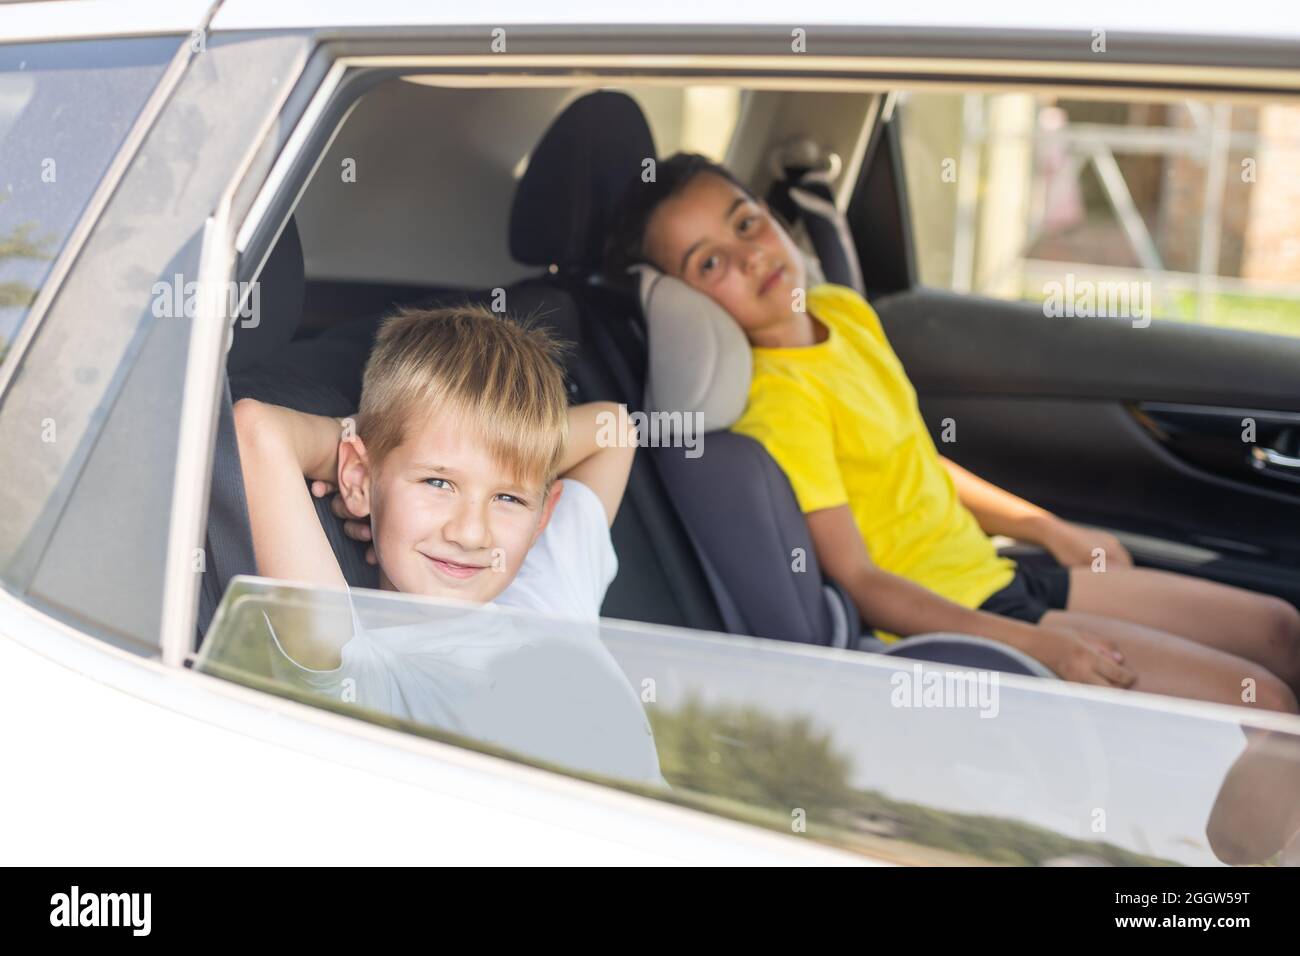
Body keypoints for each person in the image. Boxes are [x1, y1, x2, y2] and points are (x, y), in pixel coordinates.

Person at [603, 152, 1300, 713]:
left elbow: (918, 457)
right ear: (687, 305)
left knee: (1280, 629)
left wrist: (1049, 528)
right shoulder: (777, 406)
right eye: (710, 263)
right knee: (1263, 704)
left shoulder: (841, 312)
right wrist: (1037, 645)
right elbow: (863, 582)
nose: (750, 256)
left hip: (1000, 570)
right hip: (964, 614)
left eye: (746, 224)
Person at [230, 304, 663, 784]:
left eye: (508, 497)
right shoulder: (362, 674)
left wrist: (402, 470)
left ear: (544, 514)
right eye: (438, 483)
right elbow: (256, 430)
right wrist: (367, 457)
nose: (471, 533)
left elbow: (614, 429)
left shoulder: (549, 594)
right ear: (357, 473)